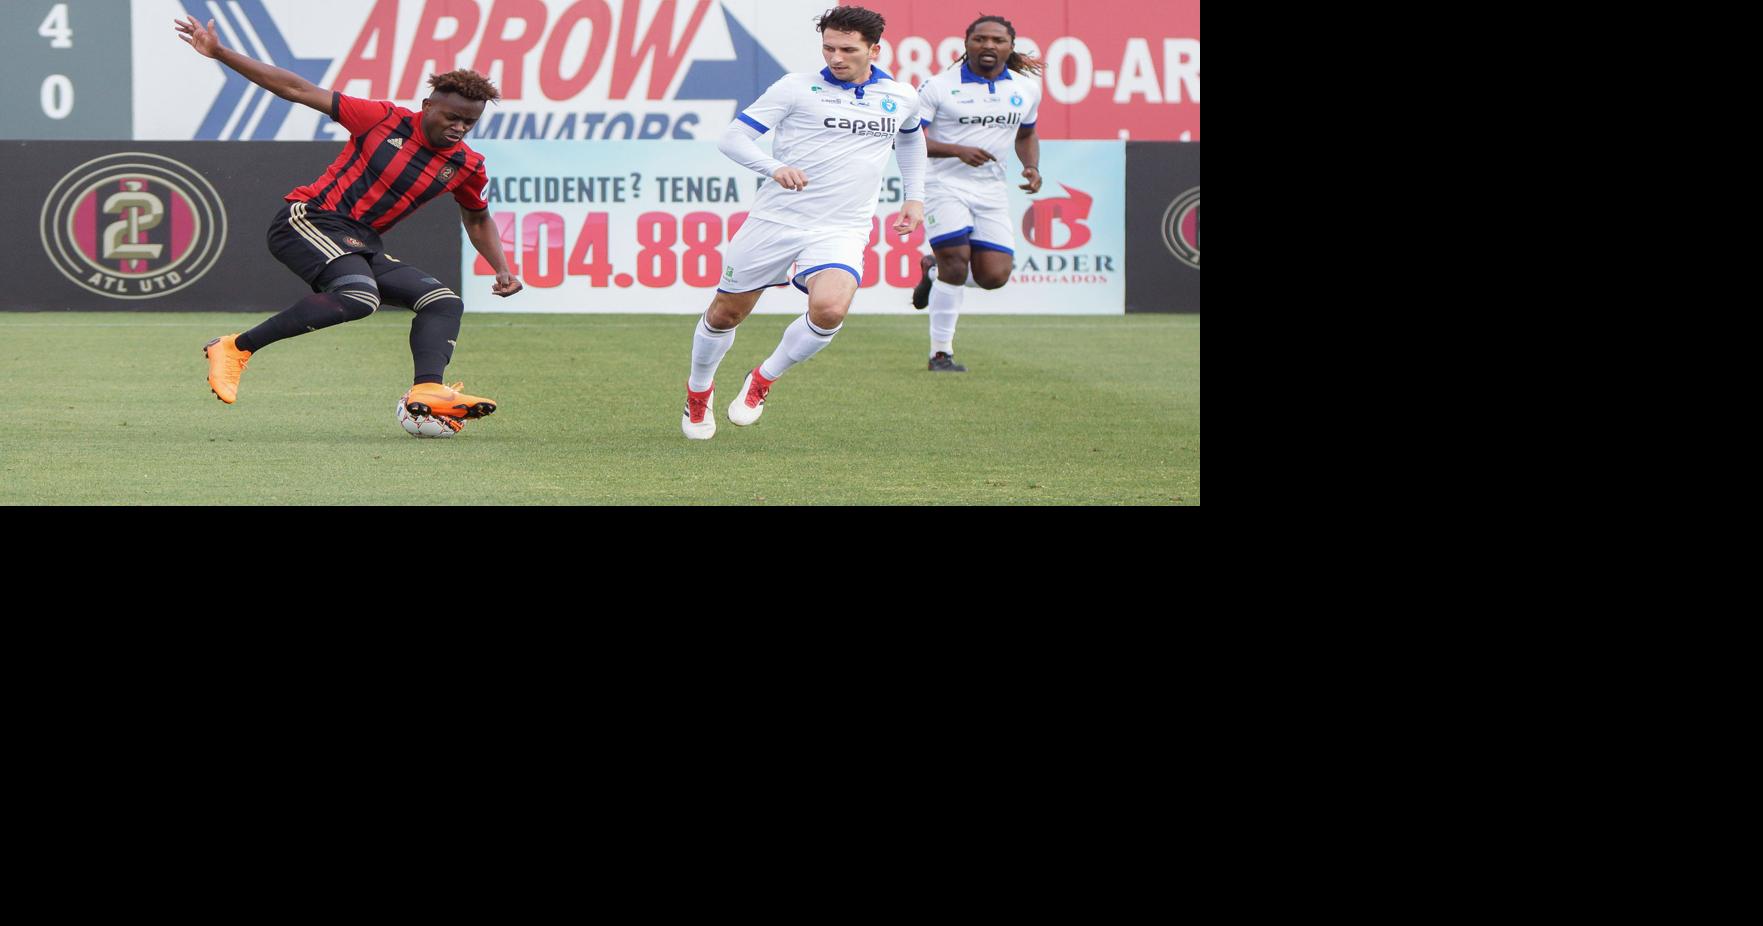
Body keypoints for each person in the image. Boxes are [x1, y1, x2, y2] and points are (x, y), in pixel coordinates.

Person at [175, 16, 522, 425]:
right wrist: (219, 53)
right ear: (428, 106)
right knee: (360, 298)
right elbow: (296, 88)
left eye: (469, 122)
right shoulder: (382, 119)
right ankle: (236, 347)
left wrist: (501, 268)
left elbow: (477, 218)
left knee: (443, 302)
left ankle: (428, 387)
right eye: (452, 117)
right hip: (308, 220)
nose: (459, 127)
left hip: (359, 241)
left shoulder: (467, 165)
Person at [679, 5, 926, 439]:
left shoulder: (902, 96)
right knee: (726, 314)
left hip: (842, 227)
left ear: (875, 50)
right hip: (776, 220)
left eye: (848, 49)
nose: (835, 57)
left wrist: (914, 198)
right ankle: (698, 392)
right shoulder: (796, 88)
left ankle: (762, 381)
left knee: (830, 310)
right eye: (828, 47)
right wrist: (772, 167)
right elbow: (732, 138)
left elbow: (910, 140)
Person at [908, 15, 1043, 372]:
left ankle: (933, 270)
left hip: (991, 189)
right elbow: (908, 139)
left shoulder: (1025, 89)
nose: (988, 46)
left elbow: (1026, 134)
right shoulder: (939, 86)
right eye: (980, 39)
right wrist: (956, 150)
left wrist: (1031, 167)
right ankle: (941, 353)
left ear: (1010, 46)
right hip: (942, 185)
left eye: (997, 40)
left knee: (995, 276)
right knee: (956, 259)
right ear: (966, 43)